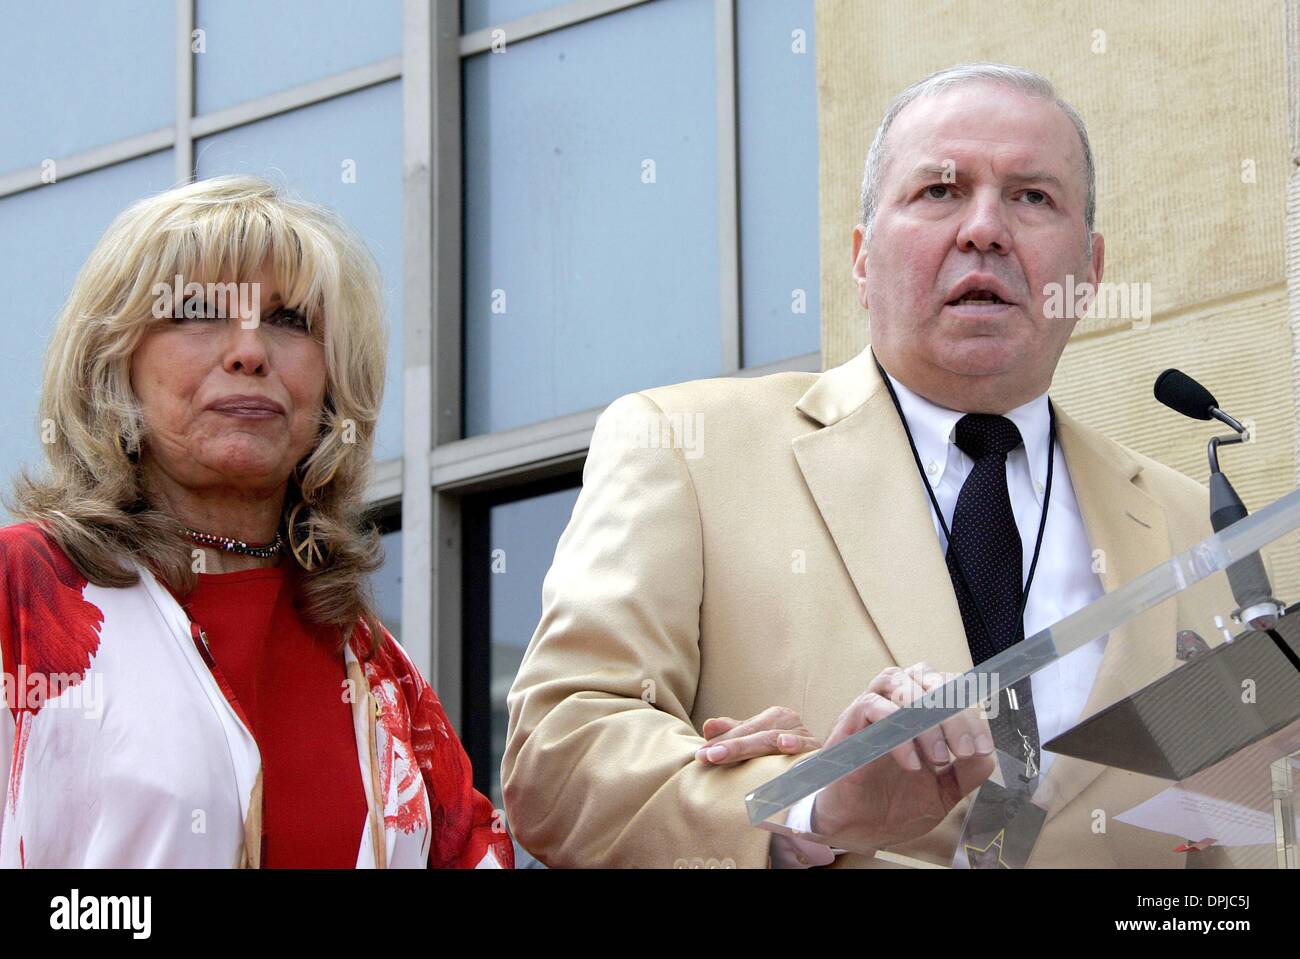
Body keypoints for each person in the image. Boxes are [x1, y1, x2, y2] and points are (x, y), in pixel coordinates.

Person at [502, 64, 1235, 868]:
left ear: (1090, 272)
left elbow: (1233, 836)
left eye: (1032, 197)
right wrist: (810, 808)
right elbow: (560, 754)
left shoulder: (1194, 524)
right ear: (860, 257)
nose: (985, 229)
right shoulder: (681, 445)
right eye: (939, 192)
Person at [0, 175, 513, 869]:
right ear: (113, 362)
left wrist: (696, 776)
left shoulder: (378, 670)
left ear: (333, 382)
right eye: (200, 311)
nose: (250, 351)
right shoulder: (23, 592)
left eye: (290, 320)